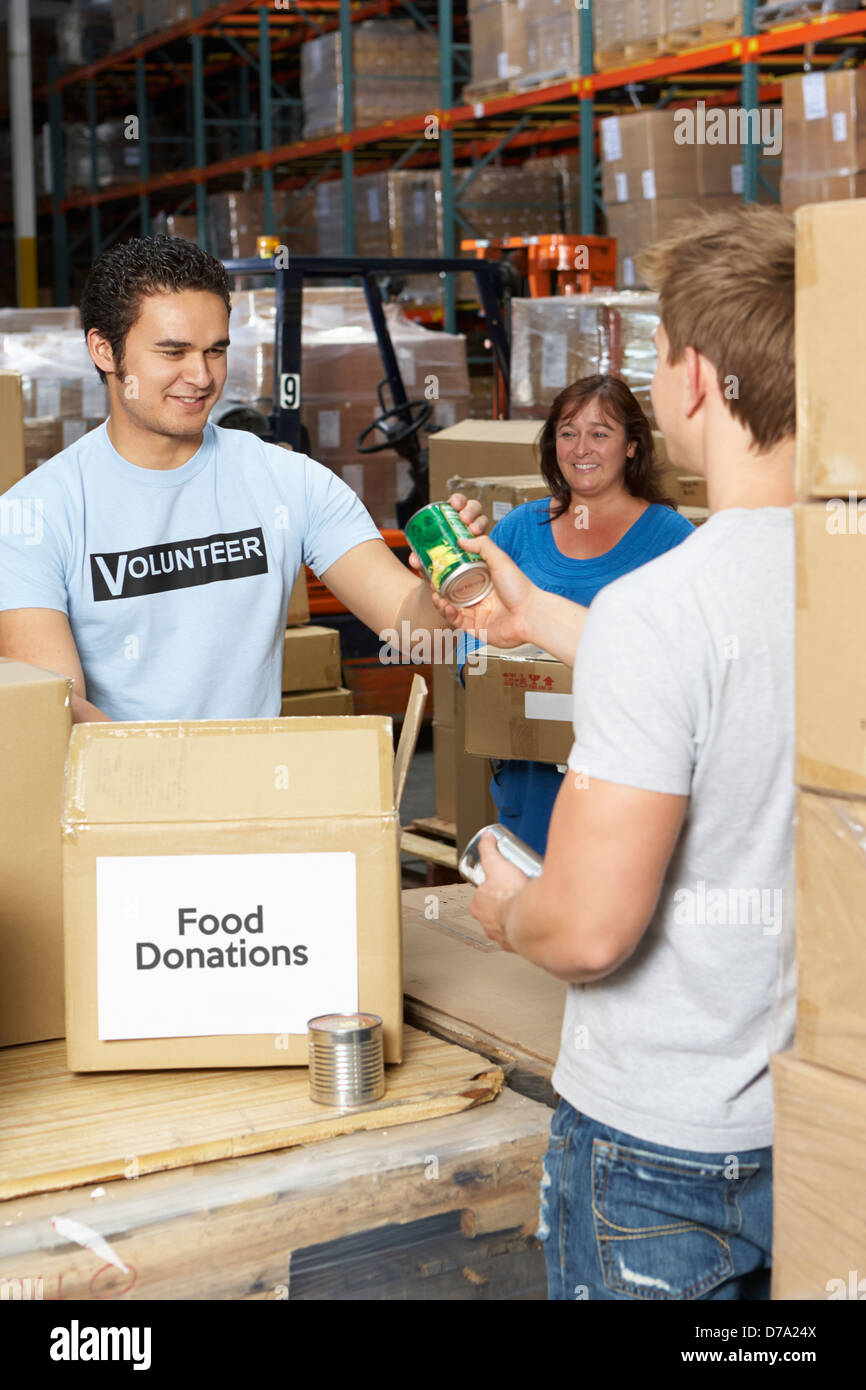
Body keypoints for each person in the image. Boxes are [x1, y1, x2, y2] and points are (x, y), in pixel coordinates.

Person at [425, 204, 797, 1301]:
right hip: (818, 1128)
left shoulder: (663, 603)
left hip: (662, 1156)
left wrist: (502, 902)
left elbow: (586, 931)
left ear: (691, 381)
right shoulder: (835, 571)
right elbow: (735, 684)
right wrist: (534, 609)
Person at [0, 236, 485, 721]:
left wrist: (442, 594)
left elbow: (415, 635)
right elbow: (57, 708)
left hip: (255, 788)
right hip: (122, 788)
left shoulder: (290, 481)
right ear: (105, 351)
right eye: (173, 353)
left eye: (215, 350)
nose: (202, 376)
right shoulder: (36, 514)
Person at [466, 375, 693, 856]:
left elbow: (689, 671)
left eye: (600, 433)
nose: (581, 448)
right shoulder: (519, 530)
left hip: (629, 788)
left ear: (632, 446)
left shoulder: (671, 539)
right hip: (530, 786)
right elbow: (474, 642)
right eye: (568, 433)